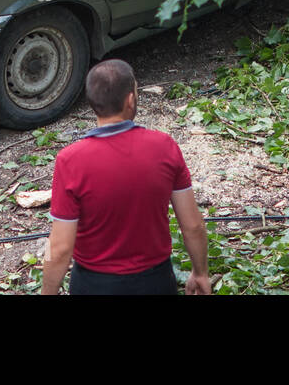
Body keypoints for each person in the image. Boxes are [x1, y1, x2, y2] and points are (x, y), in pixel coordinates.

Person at [41, 59, 212, 295]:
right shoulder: (165, 146)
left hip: (93, 285)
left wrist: (46, 292)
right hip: (155, 281)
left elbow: (58, 248)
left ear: (93, 103)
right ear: (130, 99)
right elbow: (193, 225)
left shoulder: (69, 160)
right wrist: (200, 272)